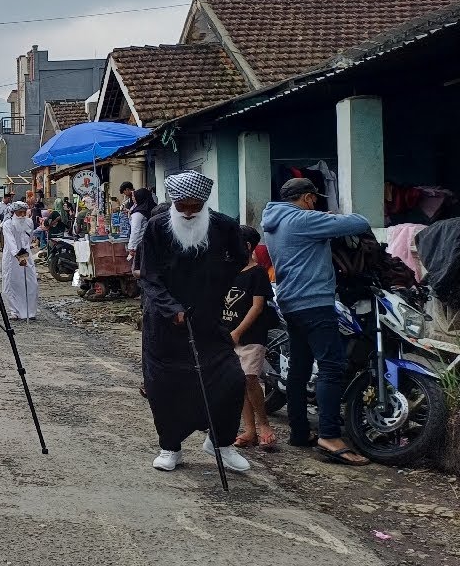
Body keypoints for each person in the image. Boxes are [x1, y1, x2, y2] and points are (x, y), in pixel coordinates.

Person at [138, 171, 251, 474]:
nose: (187, 213)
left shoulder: (224, 226)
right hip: (164, 324)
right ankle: (170, 447)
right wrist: (171, 307)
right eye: (181, 206)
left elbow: (239, 259)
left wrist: (214, 286)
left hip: (208, 321)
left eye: (194, 207)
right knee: (165, 388)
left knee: (231, 380)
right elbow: (148, 275)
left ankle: (222, 444)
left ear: (205, 203)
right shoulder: (156, 227)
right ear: (173, 202)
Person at [262, 177, 372, 466]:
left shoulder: (275, 220)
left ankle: (299, 431)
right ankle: (329, 435)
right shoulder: (302, 220)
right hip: (314, 301)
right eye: (315, 200)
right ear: (308, 198)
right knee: (332, 366)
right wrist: (328, 216)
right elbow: (359, 222)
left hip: (290, 301)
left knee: (299, 368)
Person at [223, 225, 277, 452]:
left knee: (250, 379)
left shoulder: (257, 274)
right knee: (239, 382)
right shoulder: (228, 270)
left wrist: (238, 332)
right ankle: (249, 430)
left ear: (246, 246)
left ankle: (264, 425)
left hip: (251, 336)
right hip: (228, 335)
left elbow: (257, 307)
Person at [0, 202, 38, 319]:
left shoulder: (29, 222)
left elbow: (29, 238)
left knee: (31, 283)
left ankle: (30, 312)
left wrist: (25, 255)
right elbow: (10, 242)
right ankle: (15, 311)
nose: (22, 215)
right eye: (19, 212)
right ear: (13, 213)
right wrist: (18, 256)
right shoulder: (8, 224)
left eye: (24, 212)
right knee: (13, 283)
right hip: (12, 258)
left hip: (26, 255)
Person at [127, 187, 157, 262]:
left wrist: (131, 247)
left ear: (140, 197)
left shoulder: (138, 213)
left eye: (134, 196)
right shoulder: (152, 209)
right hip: (152, 243)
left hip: (140, 245)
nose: (133, 198)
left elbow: (135, 230)